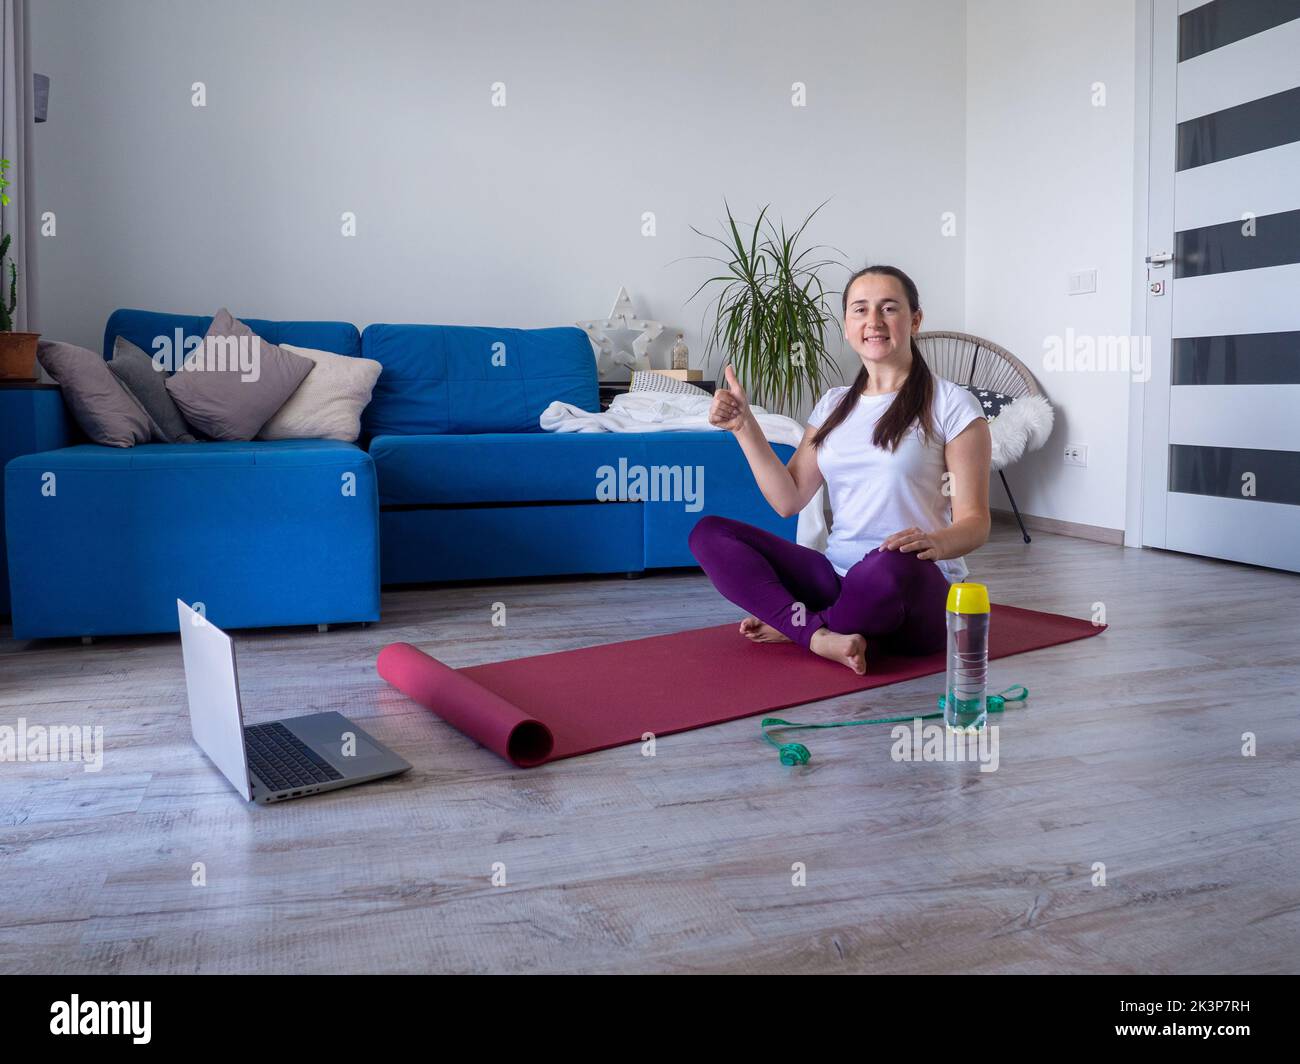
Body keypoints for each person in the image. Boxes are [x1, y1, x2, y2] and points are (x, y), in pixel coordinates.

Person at [688, 264, 992, 675]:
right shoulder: (834, 404)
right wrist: (744, 427)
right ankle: (820, 635)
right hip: (836, 577)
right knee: (709, 533)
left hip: (912, 583)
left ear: (915, 320)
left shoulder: (952, 405)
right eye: (860, 310)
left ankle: (800, 624)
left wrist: (936, 543)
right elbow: (788, 498)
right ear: (847, 325)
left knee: (884, 566)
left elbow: (976, 522)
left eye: (889, 308)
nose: (874, 322)